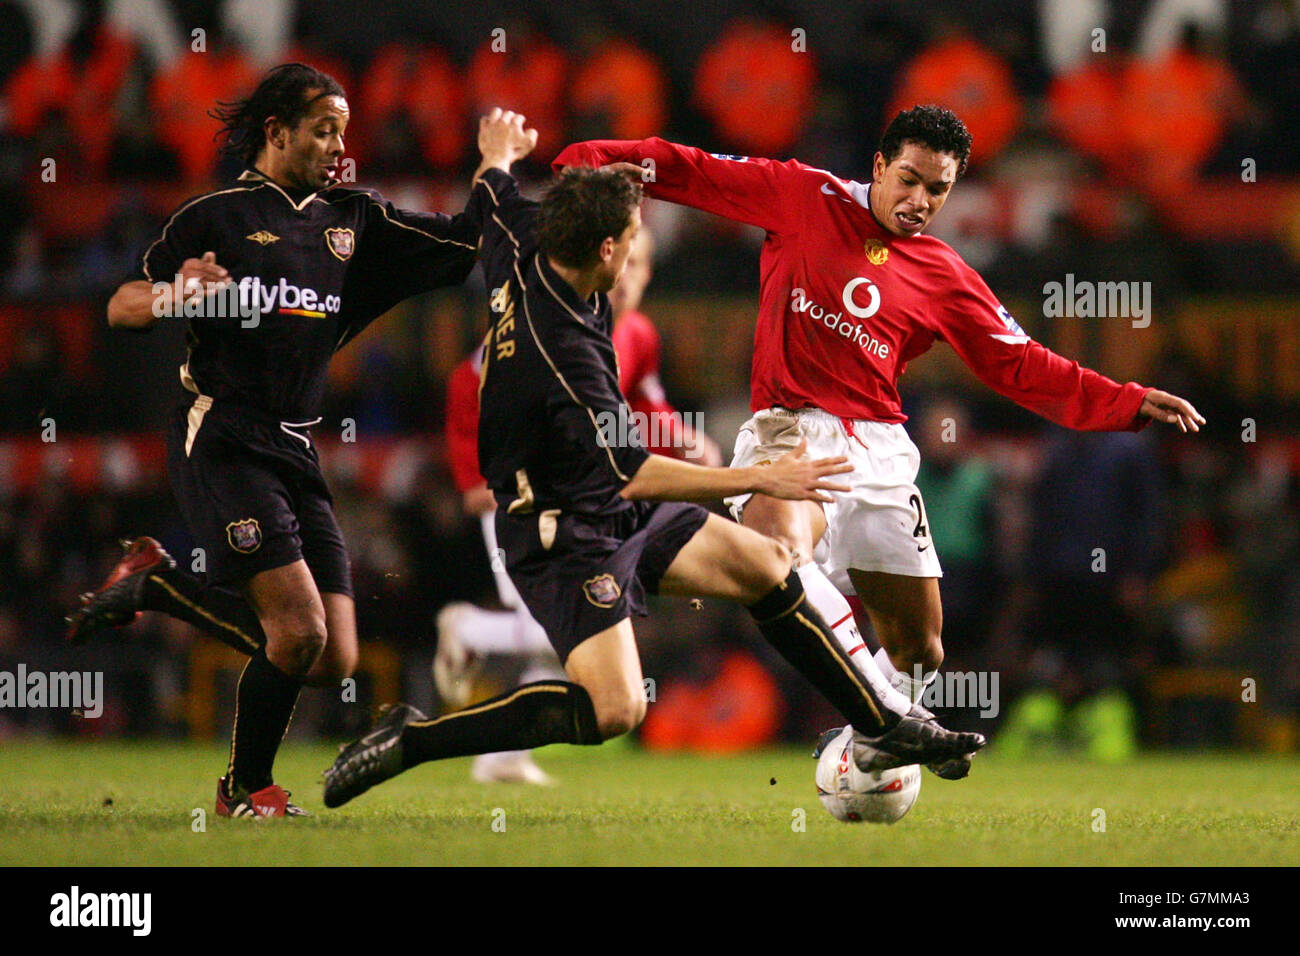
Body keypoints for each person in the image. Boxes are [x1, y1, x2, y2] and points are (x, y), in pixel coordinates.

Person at [323, 110, 985, 809]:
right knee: (614, 711)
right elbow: (629, 469)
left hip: (620, 508)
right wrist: (758, 476)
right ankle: (413, 740)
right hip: (561, 531)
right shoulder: (571, 354)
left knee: (765, 564)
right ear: (607, 251)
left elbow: (491, 196)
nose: (639, 257)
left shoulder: (519, 244)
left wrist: (498, 152)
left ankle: (884, 722)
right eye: (634, 246)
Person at [553, 105, 1203, 776]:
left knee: (923, 648)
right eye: (910, 179)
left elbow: (1021, 363)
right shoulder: (805, 194)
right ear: (878, 168)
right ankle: (885, 719)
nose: (921, 201)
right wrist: (590, 158)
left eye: (939, 189)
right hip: (794, 429)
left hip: (884, 450)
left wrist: (1123, 400)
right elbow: (697, 169)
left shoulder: (945, 272)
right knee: (782, 553)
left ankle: (877, 734)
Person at [65, 63, 511, 818]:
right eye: (323, 129)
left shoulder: (353, 220)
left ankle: (158, 584)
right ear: (276, 132)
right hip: (222, 436)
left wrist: (494, 166)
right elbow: (122, 304)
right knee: (296, 632)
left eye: (343, 130)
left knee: (330, 654)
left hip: (295, 447)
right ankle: (245, 789)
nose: (339, 146)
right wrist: (178, 293)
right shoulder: (215, 217)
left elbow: (468, 242)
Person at [436, 225, 719, 786]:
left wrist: (689, 440)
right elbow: (469, 383)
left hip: (586, 505)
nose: (624, 278)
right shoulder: (551, 324)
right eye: (619, 262)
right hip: (520, 497)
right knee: (567, 627)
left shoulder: (637, 333)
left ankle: (503, 758)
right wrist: (472, 474)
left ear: (648, 274)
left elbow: (640, 403)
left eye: (638, 265)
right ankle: (467, 629)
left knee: (578, 633)